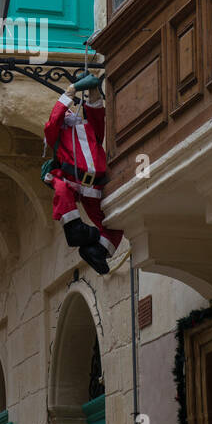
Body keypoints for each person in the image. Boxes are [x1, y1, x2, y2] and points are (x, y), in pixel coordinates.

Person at [43, 71, 123, 275]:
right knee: (61, 191)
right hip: (73, 182)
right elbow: (52, 122)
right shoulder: (58, 136)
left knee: (115, 222)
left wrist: (93, 89)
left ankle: (97, 251)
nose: (70, 114)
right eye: (66, 113)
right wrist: (71, 91)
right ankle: (74, 229)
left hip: (95, 186)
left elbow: (96, 111)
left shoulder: (90, 129)